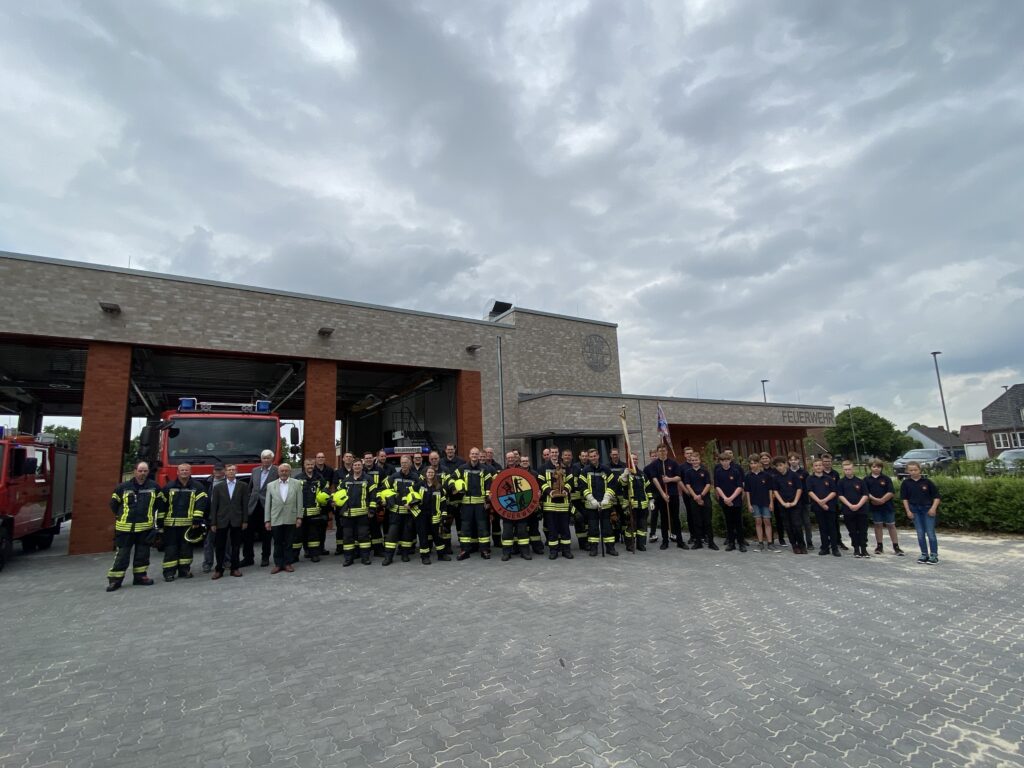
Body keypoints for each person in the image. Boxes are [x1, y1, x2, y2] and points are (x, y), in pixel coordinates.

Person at [106, 461, 162, 592]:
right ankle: (115, 580)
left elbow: (160, 505)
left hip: (145, 528)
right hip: (125, 528)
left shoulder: (154, 487)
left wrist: (157, 524)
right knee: (122, 555)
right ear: (135, 471)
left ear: (148, 472)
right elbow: (113, 504)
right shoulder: (122, 487)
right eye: (140, 470)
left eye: (145, 471)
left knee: (143, 554)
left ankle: (140, 577)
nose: (142, 473)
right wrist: (122, 516)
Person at [158, 463, 207, 581]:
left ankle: (184, 570)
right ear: (177, 472)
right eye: (182, 470)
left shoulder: (197, 487)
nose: (184, 472)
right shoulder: (169, 487)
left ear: (190, 472)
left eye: (186, 470)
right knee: (171, 549)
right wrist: (160, 523)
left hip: (188, 525)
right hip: (171, 525)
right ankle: (169, 572)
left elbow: (201, 504)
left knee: (186, 549)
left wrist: (197, 520)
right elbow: (161, 505)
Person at [209, 464, 251, 579]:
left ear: (236, 472)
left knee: (236, 546)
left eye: (233, 470)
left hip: (237, 520)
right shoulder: (218, 487)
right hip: (221, 520)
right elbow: (214, 506)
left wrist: (245, 520)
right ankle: (219, 569)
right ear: (225, 472)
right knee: (220, 546)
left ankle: (235, 568)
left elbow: (245, 505)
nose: (231, 472)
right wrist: (213, 522)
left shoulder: (243, 486)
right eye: (229, 470)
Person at [382, 455, 424, 565]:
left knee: (407, 534)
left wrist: (414, 502)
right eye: (402, 463)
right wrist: (388, 499)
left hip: (408, 512)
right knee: (392, 535)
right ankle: (388, 557)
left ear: (410, 463)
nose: (403, 465)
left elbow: (421, 492)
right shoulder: (393, 476)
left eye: (406, 463)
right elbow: (383, 490)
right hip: (395, 512)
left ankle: (405, 554)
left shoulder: (416, 477)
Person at [454, 448, 494, 560]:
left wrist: (487, 501)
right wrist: (455, 487)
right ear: (469, 455)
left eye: (476, 454)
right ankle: (464, 550)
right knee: (465, 528)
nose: (474, 456)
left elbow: (488, 486)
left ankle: (484, 550)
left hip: (481, 505)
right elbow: (451, 479)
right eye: (473, 454)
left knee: (483, 528)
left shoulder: (485, 469)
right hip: (466, 504)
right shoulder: (462, 468)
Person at [334, 458, 376, 565]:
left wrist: (371, 510)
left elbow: (373, 496)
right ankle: (348, 559)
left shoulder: (368, 479)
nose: (357, 467)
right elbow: (338, 493)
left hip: (363, 514)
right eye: (355, 465)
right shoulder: (346, 480)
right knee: (347, 537)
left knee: (364, 537)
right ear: (352, 467)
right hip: (348, 514)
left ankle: (365, 558)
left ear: (362, 466)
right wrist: (332, 500)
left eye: (358, 465)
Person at [264, 463, 303, 573]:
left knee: (289, 542)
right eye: (282, 471)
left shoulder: (297, 484)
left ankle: (287, 563)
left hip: (291, 517)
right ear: (278, 472)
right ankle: (278, 564)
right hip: (276, 518)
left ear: (290, 472)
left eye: (286, 471)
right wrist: (267, 520)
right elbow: (268, 504)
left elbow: (299, 501)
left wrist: (299, 517)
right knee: (277, 542)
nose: (284, 472)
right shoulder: (271, 485)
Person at [901, 461, 941, 564]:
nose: (913, 472)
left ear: (920, 470)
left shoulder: (927, 482)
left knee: (930, 533)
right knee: (920, 533)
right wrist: (908, 511)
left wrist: (933, 508)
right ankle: (924, 554)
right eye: (911, 470)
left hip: (927, 509)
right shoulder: (906, 483)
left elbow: (936, 497)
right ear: (907, 471)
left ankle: (934, 555)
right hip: (914, 510)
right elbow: (904, 498)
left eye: (915, 470)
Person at [646, 444, 685, 550]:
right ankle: (665, 541)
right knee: (664, 519)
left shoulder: (673, 463)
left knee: (675, 518)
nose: (662, 452)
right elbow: (654, 479)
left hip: (673, 494)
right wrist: (663, 494)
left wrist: (669, 479)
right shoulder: (654, 465)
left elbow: (679, 477)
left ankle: (680, 541)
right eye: (660, 451)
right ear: (657, 452)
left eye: (664, 450)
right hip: (661, 496)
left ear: (667, 451)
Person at [580, 448, 617, 556]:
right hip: (591, 506)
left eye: (594, 456)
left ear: (598, 456)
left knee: (607, 528)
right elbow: (583, 486)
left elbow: (612, 485)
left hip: (605, 505)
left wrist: (607, 498)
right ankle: (593, 548)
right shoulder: (585, 471)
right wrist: (591, 499)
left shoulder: (606, 469)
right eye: (590, 457)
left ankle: (610, 548)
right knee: (593, 528)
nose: (592, 458)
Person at [243, 450, 277, 567]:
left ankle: (265, 557)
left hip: (267, 506)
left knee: (266, 534)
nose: (265, 460)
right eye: (264, 458)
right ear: (261, 459)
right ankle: (248, 558)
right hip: (253, 506)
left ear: (272, 459)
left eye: (268, 458)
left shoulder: (277, 471)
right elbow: (251, 487)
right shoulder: (255, 470)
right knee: (248, 533)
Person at [539, 448, 574, 559]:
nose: (554, 454)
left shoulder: (565, 468)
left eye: (556, 452)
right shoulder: (542, 468)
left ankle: (566, 550)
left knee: (565, 529)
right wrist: (550, 492)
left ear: (559, 454)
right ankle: (553, 551)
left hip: (563, 504)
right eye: (552, 453)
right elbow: (541, 482)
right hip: (550, 505)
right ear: (549, 454)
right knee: (552, 529)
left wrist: (566, 490)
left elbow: (570, 481)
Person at [865, 460, 904, 556]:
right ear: (870, 468)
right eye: (874, 467)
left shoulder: (886, 479)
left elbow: (891, 492)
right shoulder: (866, 479)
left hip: (887, 506)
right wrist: (876, 500)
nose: (876, 468)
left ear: (881, 468)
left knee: (891, 525)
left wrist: (882, 500)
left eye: (878, 467)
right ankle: (879, 545)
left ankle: (896, 546)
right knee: (878, 525)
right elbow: (866, 493)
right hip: (874, 506)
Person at [294, 458, 330, 562]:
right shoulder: (298, 478)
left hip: (315, 512)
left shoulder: (319, 477)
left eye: (311, 465)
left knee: (313, 535)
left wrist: (324, 495)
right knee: (298, 536)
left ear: (314, 465)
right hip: (301, 512)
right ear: (304, 465)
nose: (310, 466)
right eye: (307, 464)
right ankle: (294, 555)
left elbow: (326, 489)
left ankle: (314, 554)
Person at [617, 454, 652, 551]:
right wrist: (624, 476)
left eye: (636, 459)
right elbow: (621, 485)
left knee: (642, 526)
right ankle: (630, 544)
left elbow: (648, 488)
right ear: (629, 460)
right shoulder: (625, 472)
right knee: (631, 526)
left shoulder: (642, 474)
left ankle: (641, 544)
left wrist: (651, 500)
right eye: (633, 459)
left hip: (643, 505)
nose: (635, 460)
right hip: (631, 505)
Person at [837, 460, 871, 558]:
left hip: (862, 510)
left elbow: (865, 495)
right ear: (843, 470)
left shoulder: (860, 481)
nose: (848, 471)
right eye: (846, 469)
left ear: (853, 469)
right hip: (848, 510)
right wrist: (850, 505)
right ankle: (856, 549)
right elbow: (840, 495)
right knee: (852, 531)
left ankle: (864, 549)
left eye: (850, 469)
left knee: (863, 530)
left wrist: (858, 505)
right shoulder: (841, 482)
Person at [806, 459, 840, 557]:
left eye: (820, 465)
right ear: (813, 467)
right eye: (816, 465)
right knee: (822, 528)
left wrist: (824, 501)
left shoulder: (829, 479)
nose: (818, 467)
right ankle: (825, 547)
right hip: (818, 507)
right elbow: (810, 492)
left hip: (830, 507)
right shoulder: (810, 479)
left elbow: (834, 492)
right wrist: (820, 502)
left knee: (832, 527)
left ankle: (835, 548)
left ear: (823, 466)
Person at [715, 450, 747, 552]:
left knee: (738, 522)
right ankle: (731, 543)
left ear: (730, 460)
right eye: (723, 461)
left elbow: (739, 487)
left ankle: (741, 543)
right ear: (720, 461)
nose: (725, 462)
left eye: (727, 460)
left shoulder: (735, 471)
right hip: (724, 501)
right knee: (729, 522)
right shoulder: (718, 472)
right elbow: (717, 487)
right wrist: (725, 498)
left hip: (736, 500)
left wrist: (731, 498)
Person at [772, 457, 806, 554]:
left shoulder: (794, 475)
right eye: (777, 466)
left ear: (786, 464)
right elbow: (776, 491)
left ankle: (802, 545)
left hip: (795, 505)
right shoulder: (776, 478)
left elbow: (799, 489)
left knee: (797, 525)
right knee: (788, 526)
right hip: (783, 506)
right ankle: (794, 545)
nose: (779, 468)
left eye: (781, 465)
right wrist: (782, 503)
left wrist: (794, 502)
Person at [683, 452, 716, 549]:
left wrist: (701, 496)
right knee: (696, 521)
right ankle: (698, 543)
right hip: (694, 499)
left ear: (699, 460)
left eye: (696, 460)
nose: (694, 462)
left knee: (708, 521)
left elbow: (708, 484)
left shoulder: (705, 471)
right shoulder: (688, 472)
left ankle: (711, 542)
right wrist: (695, 497)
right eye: (692, 460)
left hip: (705, 498)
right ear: (691, 461)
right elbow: (687, 485)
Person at [418, 467, 451, 564]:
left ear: (434, 474)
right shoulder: (420, 485)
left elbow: (443, 503)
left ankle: (441, 555)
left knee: (438, 536)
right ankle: (425, 557)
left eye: (432, 472)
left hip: (435, 516)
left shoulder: (439, 487)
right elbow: (409, 493)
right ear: (425, 474)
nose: (430, 474)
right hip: (422, 516)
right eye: (429, 472)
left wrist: (444, 514)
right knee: (423, 537)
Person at [743, 455, 774, 551]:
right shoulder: (748, 476)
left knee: (767, 522)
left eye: (755, 463)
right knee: (758, 522)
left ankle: (770, 542)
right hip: (754, 503)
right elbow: (747, 491)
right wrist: (748, 504)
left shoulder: (766, 475)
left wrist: (771, 503)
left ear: (759, 463)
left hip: (765, 502)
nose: (753, 465)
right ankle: (760, 542)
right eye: (751, 463)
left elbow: (770, 490)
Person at [201, 462, 227, 573]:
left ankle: (227, 561)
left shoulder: (229, 482)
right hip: (210, 517)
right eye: (216, 470)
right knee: (208, 542)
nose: (218, 472)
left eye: (220, 470)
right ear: (213, 471)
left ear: (224, 471)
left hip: (225, 516)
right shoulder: (207, 483)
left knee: (227, 541)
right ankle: (207, 563)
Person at [519, 454, 546, 554]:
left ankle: (537, 547)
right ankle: (523, 548)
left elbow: (540, 488)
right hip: (521, 505)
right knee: (522, 528)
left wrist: (539, 498)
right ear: (520, 462)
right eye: (523, 461)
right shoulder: (516, 473)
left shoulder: (535, 473)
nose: (525, 462)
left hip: (533, 505)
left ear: (529, 461)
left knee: (534, 527)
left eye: (526, 460)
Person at [821, 453, 849, 550]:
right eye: (825, 462)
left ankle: (838, 540)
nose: (827, 463)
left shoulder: (835, 474)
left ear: (831, 462)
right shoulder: (820, 474)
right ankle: (826, 542)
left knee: (835, 523)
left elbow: (837, 489)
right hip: (822, 502)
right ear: (822, 462)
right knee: (824, 523)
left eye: (828, 461)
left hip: (833, 502)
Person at [788, 453, 813, 549]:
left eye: (795, 459)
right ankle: (799, 542)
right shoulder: (787, 473)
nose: (793, 461)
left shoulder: (804, 473)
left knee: (806, 523)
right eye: (791, 459)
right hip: (793, 502)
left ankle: (809, 542)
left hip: (804, 501)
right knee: (796, 524)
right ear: (789, 461)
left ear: (799, 460)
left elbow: (807, 487)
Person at [762, 451, 787, 546]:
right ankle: (770, 539)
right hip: (765, 498)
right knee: (767, 519)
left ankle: (781, 538)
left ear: (770, 459)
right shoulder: (760, 471)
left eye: (766, 458)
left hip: (776, 497)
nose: (765, 460)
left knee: (779, 518)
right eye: (763, 458)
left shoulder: (775, 470)